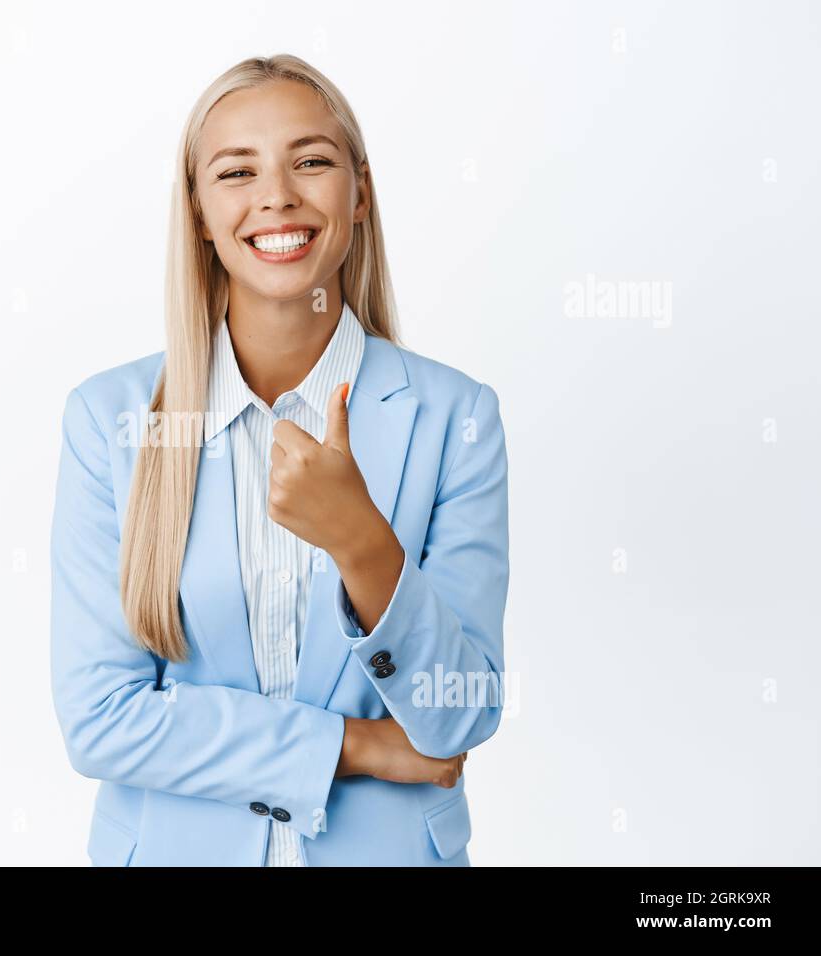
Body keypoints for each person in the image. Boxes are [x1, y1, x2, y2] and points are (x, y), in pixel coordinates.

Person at [50, 53, 509, 866]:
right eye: (236, 171)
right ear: (197, 210)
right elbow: (102, 720)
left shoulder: (457, 418)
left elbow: (458, 717)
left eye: (311, 161)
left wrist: (361, 540)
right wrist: (352, 747)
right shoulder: (110, 421)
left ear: (359, 192)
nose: (277, 197)